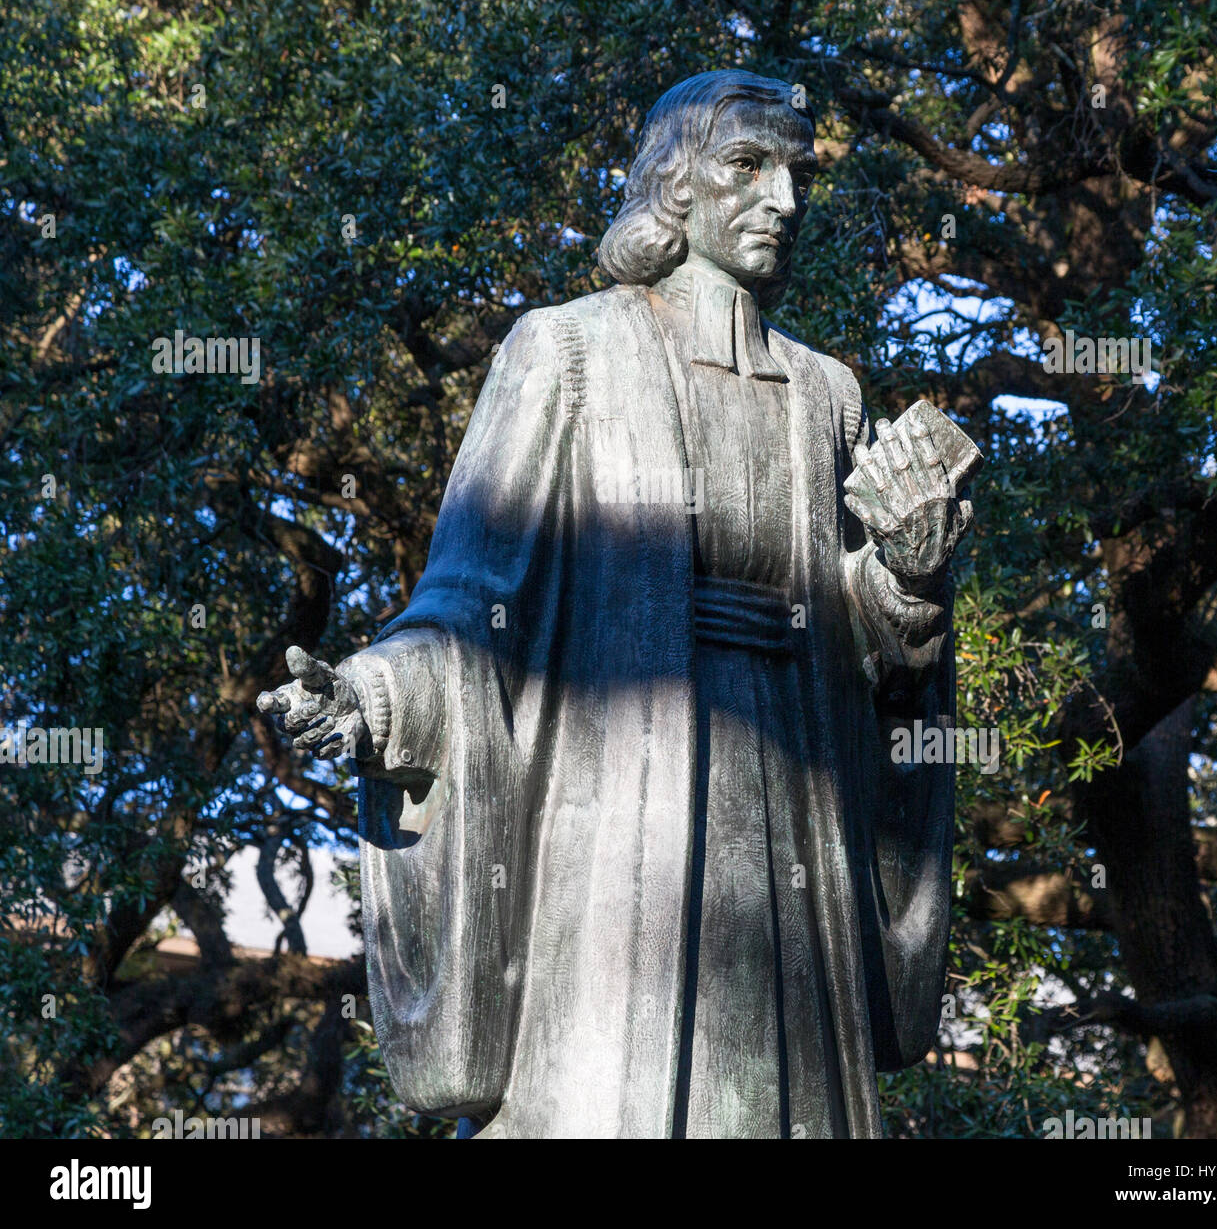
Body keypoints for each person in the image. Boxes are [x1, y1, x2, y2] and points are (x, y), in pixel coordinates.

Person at [260, 69, 978, 1138]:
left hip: (798, 803)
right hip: (618, 820)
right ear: (674, 186)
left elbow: (859, 629)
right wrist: (369, 699)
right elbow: (468, 598)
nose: (781, 199)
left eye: (796, 174)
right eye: (747, 165)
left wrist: (911, 578)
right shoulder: (567, 349)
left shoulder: (829, 392)